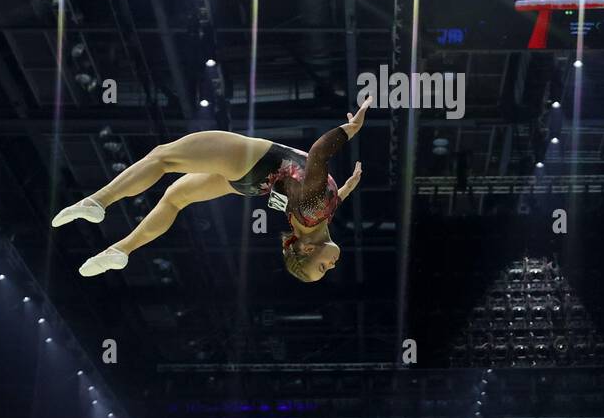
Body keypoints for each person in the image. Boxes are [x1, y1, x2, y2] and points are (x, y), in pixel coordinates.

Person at [52, 99, 370, 282]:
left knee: (163, 157)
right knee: (175, 199)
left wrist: (349, 131)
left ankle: (98, 202)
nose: (332, 265)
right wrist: (342, 192)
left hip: (251, 161)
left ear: (307, 249)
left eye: (322, 268)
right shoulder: (320, 214)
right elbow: (313, 203)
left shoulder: (315, 210)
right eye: (327, 270)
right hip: (249, 184)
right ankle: (121, 250)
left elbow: (317, 154)